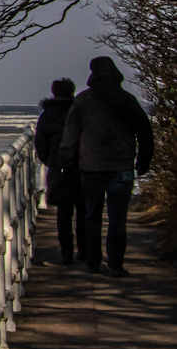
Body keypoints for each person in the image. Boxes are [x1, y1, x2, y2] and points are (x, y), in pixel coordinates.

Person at [59, 56, 155, 276]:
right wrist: (144, 160)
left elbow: (70, 135)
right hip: (121, 166)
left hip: (90, 168)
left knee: (92, 216)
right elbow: (145, 131)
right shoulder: (126, 99)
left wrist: (65, 163)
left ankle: (93, 261)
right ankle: (116, 264)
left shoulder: (83, 101)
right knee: (118, 219)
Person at [34, 77, 86, 263]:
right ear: (72, 92)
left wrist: (51, 162)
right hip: (83, 166)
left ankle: (66, 251)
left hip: (59, 168)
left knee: (63, 212)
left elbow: (40, 145)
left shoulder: (47, 115)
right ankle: (84, 249)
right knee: (83, 210)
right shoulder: (81, 111)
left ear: (54, 92)